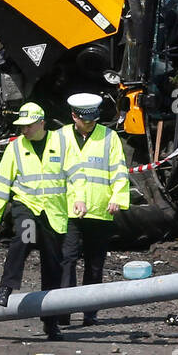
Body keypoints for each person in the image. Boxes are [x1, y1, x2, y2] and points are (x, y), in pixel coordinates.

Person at [0, 102, 69, 340]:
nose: (24, 130)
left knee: (52, 268)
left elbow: (75, 177)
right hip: (27, 206)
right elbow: (1, 185)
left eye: (28, 126)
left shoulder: (61, 143)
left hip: (53, 213)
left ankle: (50, 322)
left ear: (42, 123)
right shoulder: (15, 148)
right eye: (21, 126)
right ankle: (6, 287)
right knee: (24, 236)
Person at [59, 92, 129, 326]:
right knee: (67, 261)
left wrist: (118, 197)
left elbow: (119, 170)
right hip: (68, 210)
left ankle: (90, 313)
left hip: (100, 210)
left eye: (93, 119)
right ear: (73, 116)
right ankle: (63, 312)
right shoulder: (59, 138)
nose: (90, 123)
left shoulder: (109, 137)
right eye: (85, 119)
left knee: (95, 264)